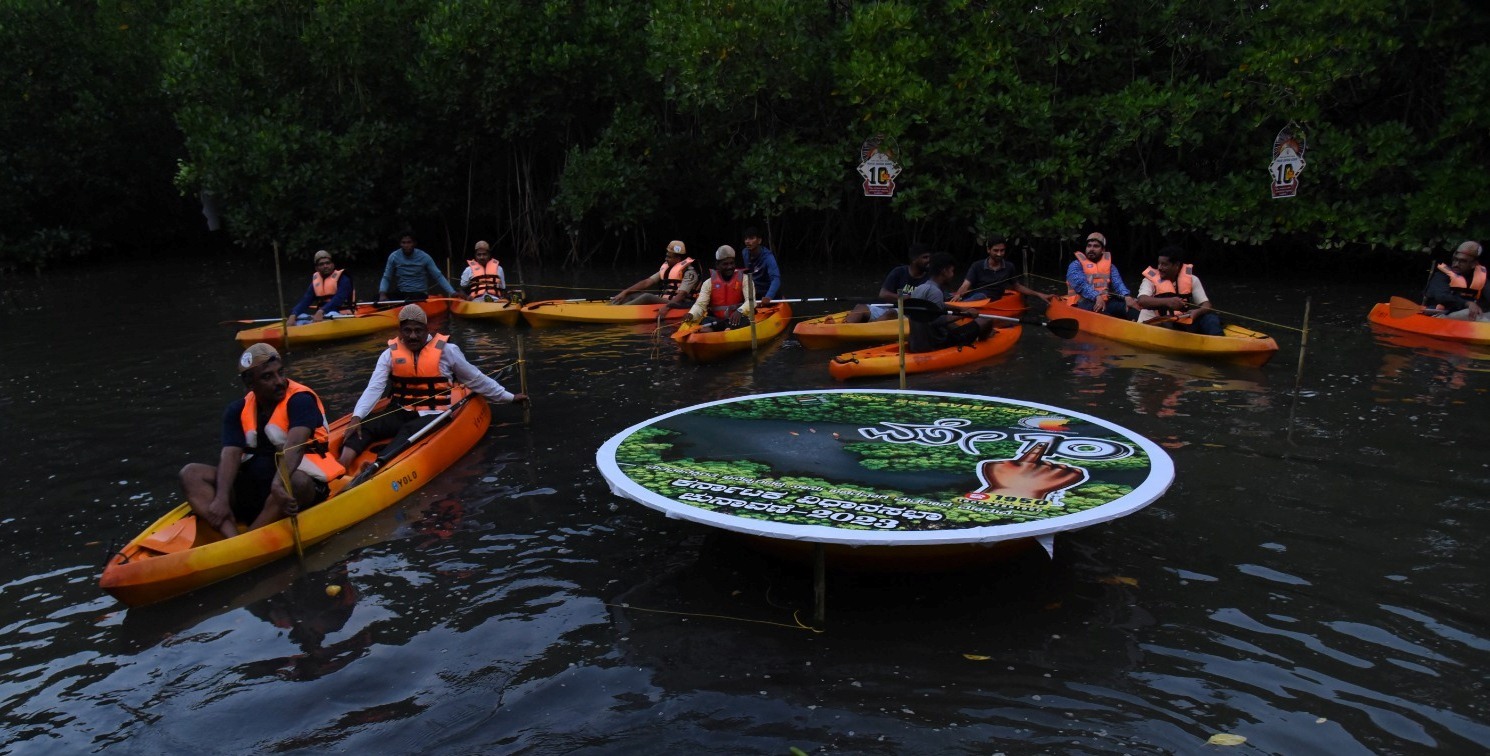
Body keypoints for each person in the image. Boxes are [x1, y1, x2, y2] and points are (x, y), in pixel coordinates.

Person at [339, 305, 528, 474]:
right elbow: (375, 387)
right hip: (401, 410)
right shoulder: (389, 354)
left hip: (434, 414)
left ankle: (376, 468)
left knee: (408, 431)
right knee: (367, 425)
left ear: (427, 329)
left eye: (418, 330)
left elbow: (476, 379)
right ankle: (343, 464)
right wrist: (357, 416)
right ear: (400, 331)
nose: (413, 336)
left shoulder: (448, 351)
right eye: (407, 330)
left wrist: (509, 397)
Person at [180, 344, 344, 538]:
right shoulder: (236, 410)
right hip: (255, 488)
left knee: (295, 481)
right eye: (268, 377)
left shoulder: (300, 400)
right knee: (190, 473)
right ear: (250, 384)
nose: (279, 381)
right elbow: (230, 454)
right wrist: (222, 498)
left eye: (280, 373)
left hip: (294, 487)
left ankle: (250, 538)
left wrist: (277, 485)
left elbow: (295, 447)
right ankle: (231, 537)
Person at [907, 252, 995, 352]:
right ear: (945, 271)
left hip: (915, 344)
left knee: (953, 326)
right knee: (986, 321)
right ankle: (982, 346)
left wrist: (960, 308)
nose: (953, 275)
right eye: (952, 271)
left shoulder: (920, 288)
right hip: (936, 345)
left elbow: (935, 308)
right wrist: (965, 314)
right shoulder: (936, 292)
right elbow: (936, 321)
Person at [1135, 245, 1224, 335]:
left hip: (1179, 323)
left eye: (1164, 264)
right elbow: (1142, 300)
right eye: (1159, 263)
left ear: (1176, 265)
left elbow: (1206, 304)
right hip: (1152, 323)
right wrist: (1167, 302)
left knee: (1210, 318)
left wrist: (1197, 312)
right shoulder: (1149, 280)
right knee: (1167, 323)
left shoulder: (1192, 279)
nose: (1160, 268)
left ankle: (1220, 341)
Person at [843, 243, 934, 323]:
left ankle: (866, 331)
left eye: (930, 257)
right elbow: (883, 294)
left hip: (911, 313)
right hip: (890, 307)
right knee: (860, 307)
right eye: (925, 257)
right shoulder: (898, 272)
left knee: (891, 313)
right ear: (914, 259)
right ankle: (844, 329)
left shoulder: (931, 278)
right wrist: (904, 298)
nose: (929, 260)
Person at [682, 245, 757, 332]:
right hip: (716, 319)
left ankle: (727, 332)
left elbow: (751, 301)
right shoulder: (708, 283)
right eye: (725, 264)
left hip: (737, 319)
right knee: (704, 326)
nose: (729, 267)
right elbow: (700, 305)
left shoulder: (745, 279)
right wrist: (691, 314)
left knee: (741, 323)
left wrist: (740, 311)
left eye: (731, 263)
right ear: (717, 265)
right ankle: (713, 336)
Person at [1065, 232, 1138, 318]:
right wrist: (1096, 296)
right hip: (1081, 303)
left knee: (1130, 308)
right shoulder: (1075, 265)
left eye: (1096, 246)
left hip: (1104, 301)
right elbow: (1080, 284)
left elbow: (1118, 284)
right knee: (1101, 311)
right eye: (1089, 246)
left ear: (1103, 250)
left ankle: (1143, 323)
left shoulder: (1110, 267)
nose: (1091, 249)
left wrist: (1126, 296)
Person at [951, 236, 1044, 303]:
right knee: (948, 296)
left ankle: (957, 307)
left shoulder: (1009, 266)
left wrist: (1038, 294)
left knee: (980, 296)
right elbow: (966, 284)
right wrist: (958, 294)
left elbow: (1017, 286)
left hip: (989, 298)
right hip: (976, 297)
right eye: (996, 250)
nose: (999, 254)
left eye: (1002, 250)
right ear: (988, 250)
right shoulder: (977, 265)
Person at [611, 240, 701, 306]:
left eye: (669, 257)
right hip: (667, 299)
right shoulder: (668, 268)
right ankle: (613, 305)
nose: (666, 259)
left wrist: (667, 307)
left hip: (682, 303)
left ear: (678, 259)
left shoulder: (690, 272)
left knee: (647, 297)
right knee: (632, 294)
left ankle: (620, 311)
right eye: (666, 256)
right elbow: (647, 282)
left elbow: (682, 295)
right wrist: (625, 292)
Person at [378, 233, 456, 302]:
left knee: (412, 298)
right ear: (400, 244)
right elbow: (386, 277)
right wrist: (382, 294)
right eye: (403, 243)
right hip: (401, 293)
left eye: (409, 242)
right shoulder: (394, 257)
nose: (406, 245)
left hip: (419, 294)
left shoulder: (424, 257)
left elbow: (438, 276)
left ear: (414, 243)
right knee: (376, 297)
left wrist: (452, 293)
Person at [1423, 241, 1487, 321]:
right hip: (1440, 317)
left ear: (1473, 264)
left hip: (1464, 320)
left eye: (1463, 261)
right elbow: (1442, 296)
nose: (1456, 264)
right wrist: (1467, 303)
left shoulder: (1480, 278)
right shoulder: (1441, 276)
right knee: (1469, 313)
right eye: (1455, 260)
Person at [288, 250, 356, 323]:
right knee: (300, 317)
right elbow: (305, 301)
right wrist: (294, 314)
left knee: (331, 314)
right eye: (321, 264)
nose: (325, 266)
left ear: (333, 265)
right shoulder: (316, 282)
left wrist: (322, 311)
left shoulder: (343, 279)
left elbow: (339, 299)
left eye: (328, 263)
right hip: (322, 315)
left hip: (341, 314)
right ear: (316, 268)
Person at [739, 226, 782, 301]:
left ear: (759, 241)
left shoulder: (768, 257)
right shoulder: (744, 252)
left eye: (751, 238)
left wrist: (769, 296)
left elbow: (776, 278)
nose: (747, 241)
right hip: (752, 289)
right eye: (746, 239)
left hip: (766, 290)